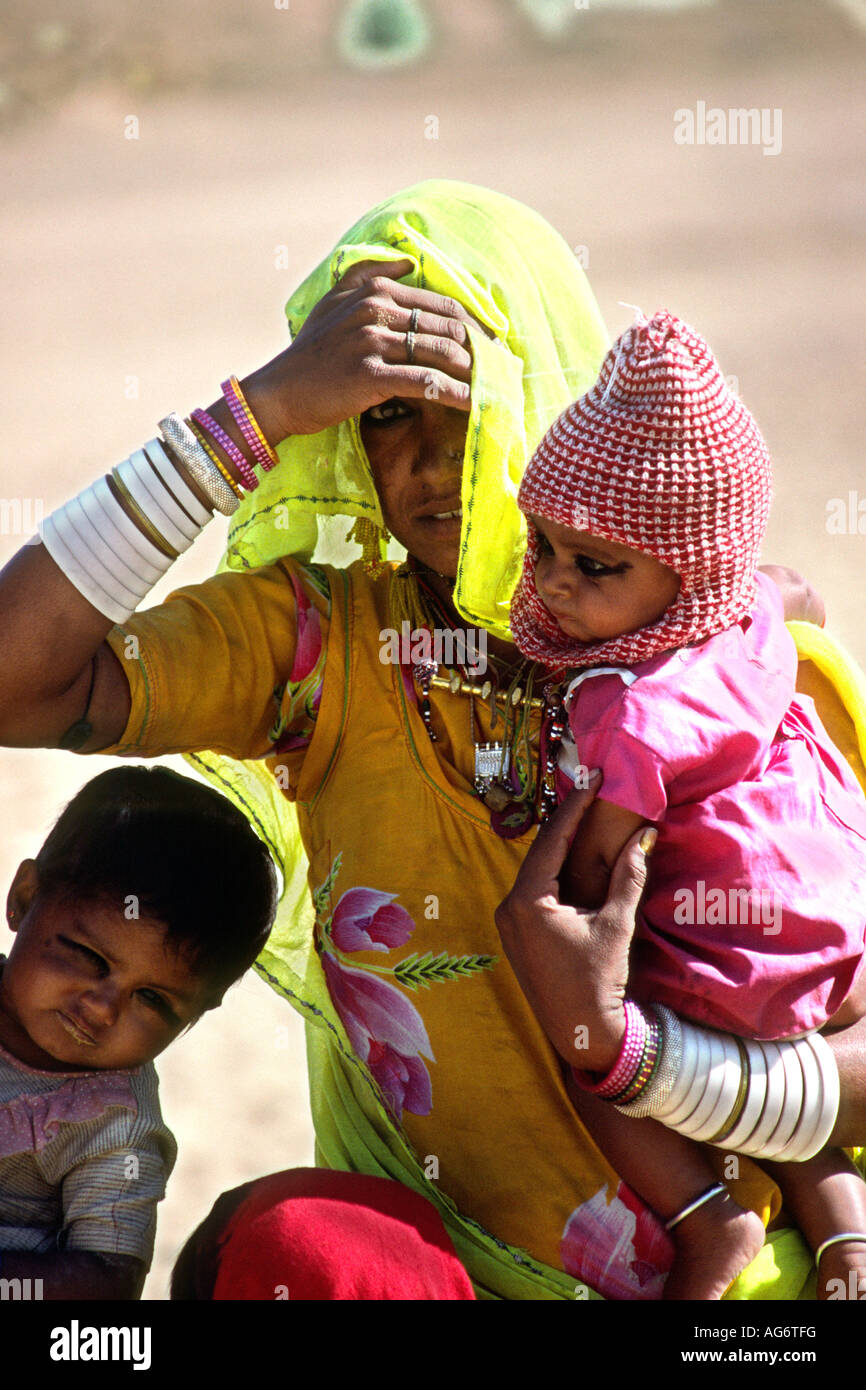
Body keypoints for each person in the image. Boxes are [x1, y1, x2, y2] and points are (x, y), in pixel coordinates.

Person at [1, 180, 865, 1300]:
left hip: (732, 1289)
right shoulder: (318, 645)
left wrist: (640, 1057)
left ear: (556, 400)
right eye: (381, 412)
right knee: (287, 1247)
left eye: (465, 397)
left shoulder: (711, 675)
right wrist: (253, 413)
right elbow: (22, 681)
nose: (420, 461)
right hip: (447, 1274)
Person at [509, 308, 866, 1299]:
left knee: (589, 1041)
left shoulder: (628, 721)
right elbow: (799, 595)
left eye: (594, 567)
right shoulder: (745, 600)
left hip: (733, 954)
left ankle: (705, 1224)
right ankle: (844, 1232)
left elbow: (588, 877)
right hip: (832, 911)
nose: (553, 582)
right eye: (541, 546)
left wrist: (578, 978)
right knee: (784, 1067)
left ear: (685, 568)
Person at [0, 765, 276, 1299]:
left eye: (152, 999)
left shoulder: (114, 1124)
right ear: (25, 898)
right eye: (87, 956)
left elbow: (106, 1281)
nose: (103, 1009)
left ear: (200, 1011)